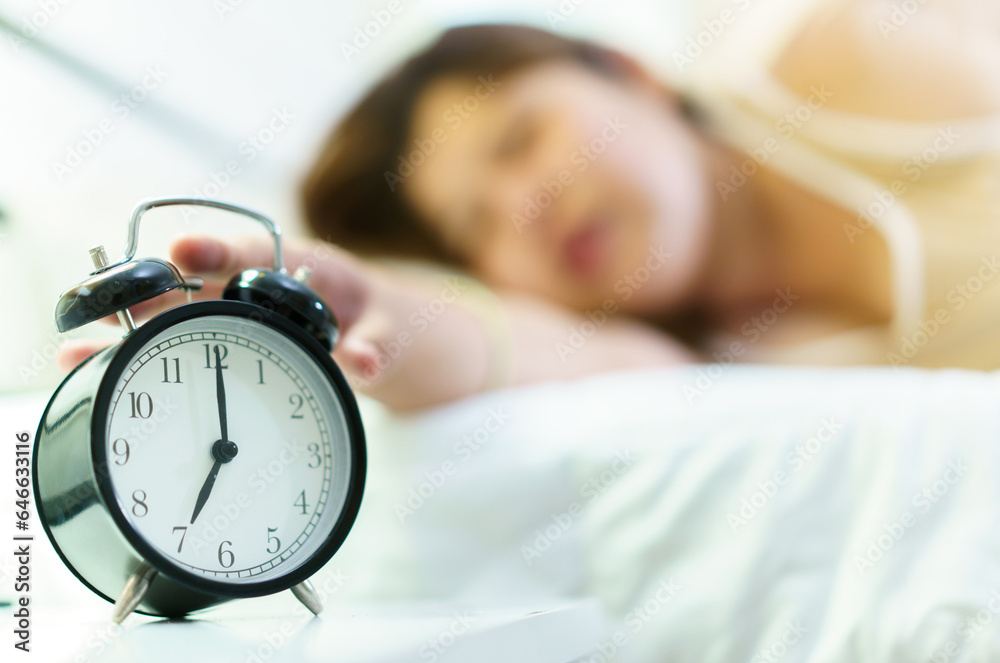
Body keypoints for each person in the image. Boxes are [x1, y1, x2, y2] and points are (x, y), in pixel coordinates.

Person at [60, 0, 1000, 410]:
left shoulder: (850, 57)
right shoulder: (674, 364)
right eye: (477, 227)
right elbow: (482, 348)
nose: (526, 206)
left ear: (631, 72)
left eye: (521, 138)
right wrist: (335, 304)